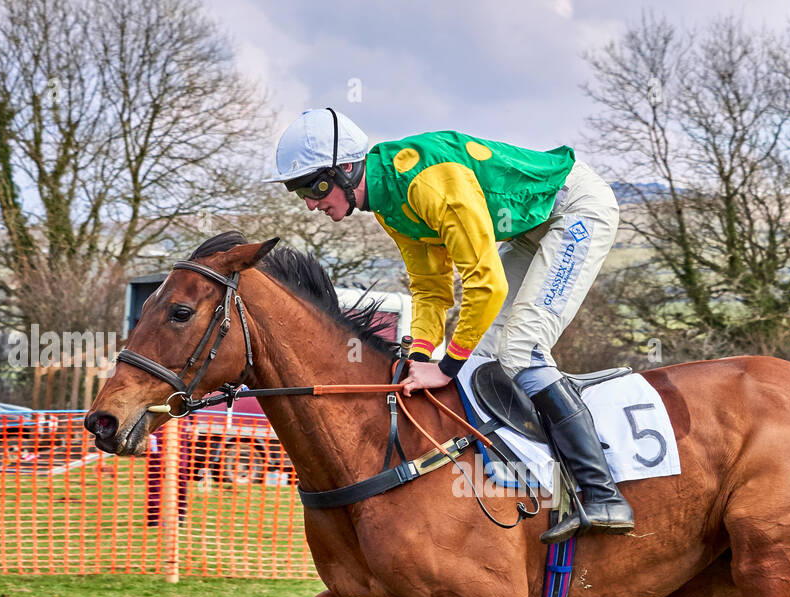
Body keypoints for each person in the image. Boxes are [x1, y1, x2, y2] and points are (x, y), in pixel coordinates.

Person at [266, 107, 633, 543]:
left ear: (347, 168)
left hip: (576, 211)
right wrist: (420, 358)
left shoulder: (426, 183)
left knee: (519, 349)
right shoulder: (389, 202)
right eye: (300, 192)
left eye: (315, 186)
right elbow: (429, 289)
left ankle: (602, 493)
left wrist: (444, 368)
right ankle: (538, 474)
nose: (311, 203)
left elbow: (486, 286)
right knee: (485, 352)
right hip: (533, 229)